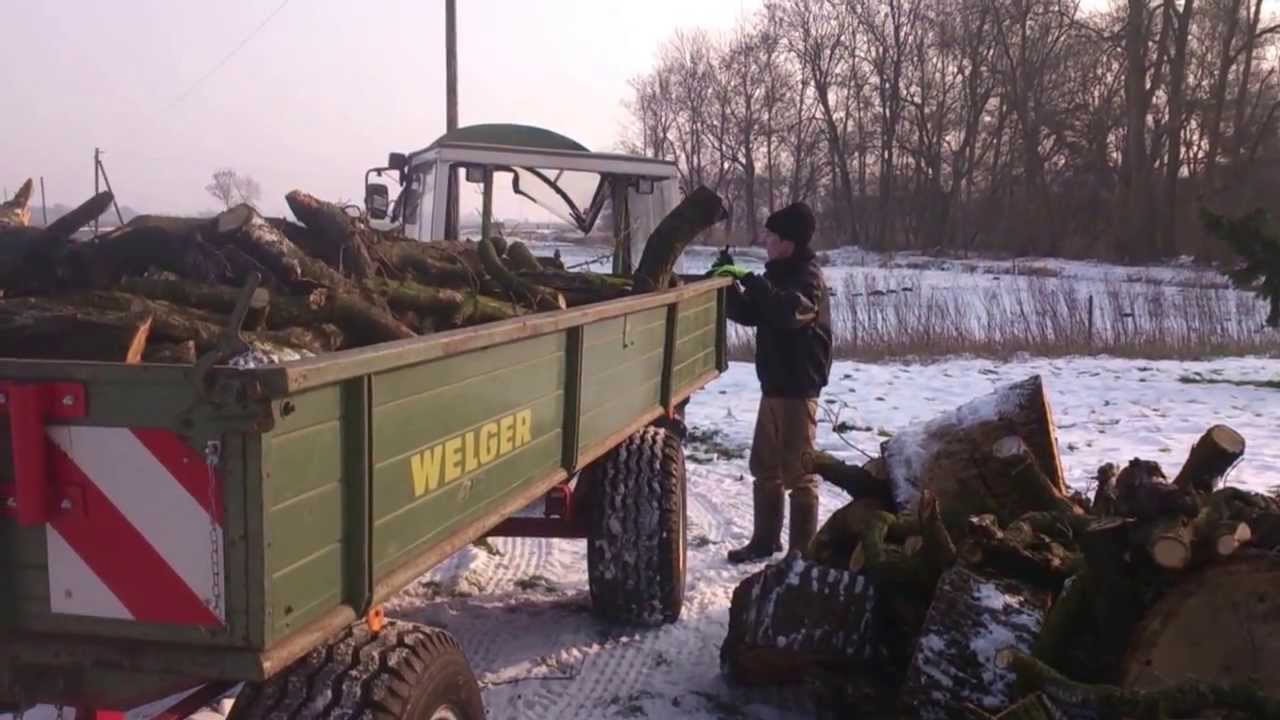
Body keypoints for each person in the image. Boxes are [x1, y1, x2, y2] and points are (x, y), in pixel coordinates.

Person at [711, 202, 833, 563]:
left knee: (799, 472)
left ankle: (801, 552)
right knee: (764, 467)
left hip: (798, 388)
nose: (765, 241)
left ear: (789, 242)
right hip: (774, 385)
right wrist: (729, 286)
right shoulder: (779, 274)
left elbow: (789, 312)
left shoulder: (807, 278)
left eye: (771, 236)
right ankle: (765, 541)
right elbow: (751, 313)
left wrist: (752, 282)